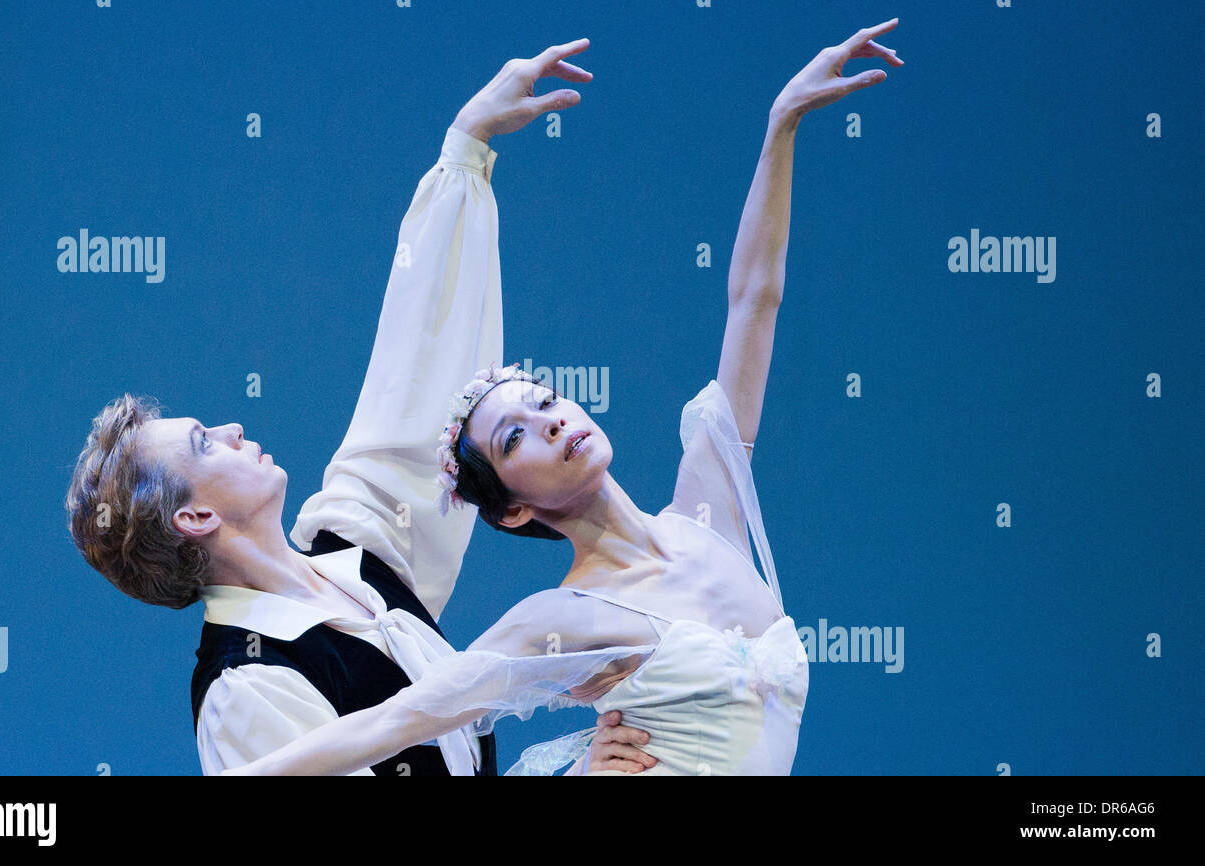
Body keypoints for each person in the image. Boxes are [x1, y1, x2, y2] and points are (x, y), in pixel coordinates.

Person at [223, 20, 904, 776]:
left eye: (543, 401)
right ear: (512, 510)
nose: (550, 422)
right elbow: (391, 723)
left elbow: (754, 300)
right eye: (514, 439)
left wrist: (782, 127)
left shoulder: (710, 513)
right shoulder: (559, 620)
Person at [64, 39, 655, 776]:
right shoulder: (244, 690)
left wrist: (464, 154)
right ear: (194, 519)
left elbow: (417, 382)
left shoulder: (351, 555)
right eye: (204, 443)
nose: (232, 427)